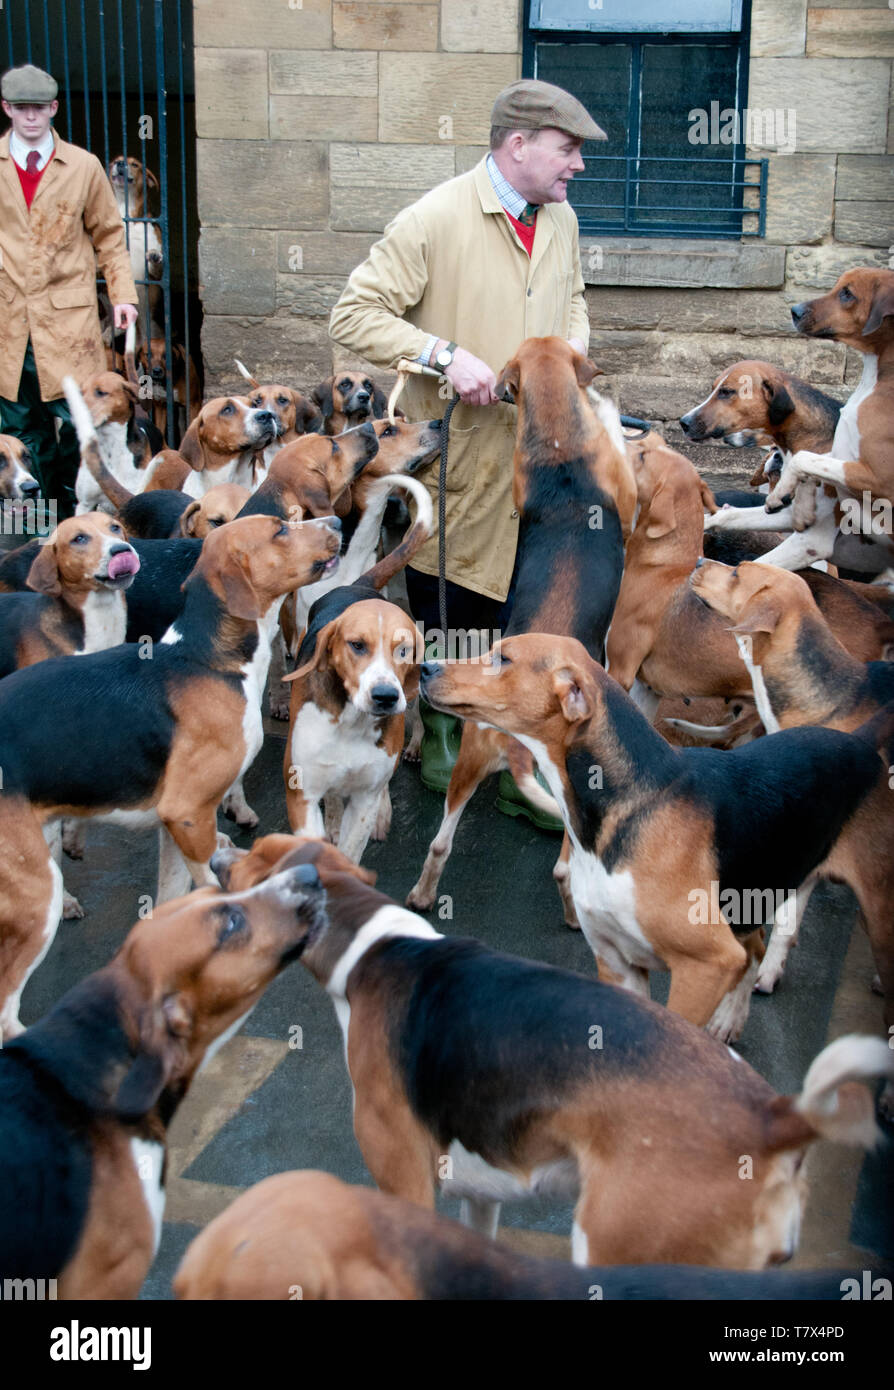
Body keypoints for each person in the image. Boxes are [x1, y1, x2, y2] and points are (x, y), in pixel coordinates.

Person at [329, 78, 605, 812]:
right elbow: (354, 313)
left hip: (539, 460)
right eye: (568, 149)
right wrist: (444, 355)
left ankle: (515, 756)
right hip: (459, 460)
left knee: (527, 609)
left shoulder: (561, 220)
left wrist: (573, 345)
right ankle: (445, 744)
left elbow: (573, 294)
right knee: (452, 604)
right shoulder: (435, 218)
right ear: (518, 145)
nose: (577, 165)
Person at [0, 64, 138, 518]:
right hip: (9, 321)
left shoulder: (83, 166)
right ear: (7, 109)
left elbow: (109, 236)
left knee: (84, 425)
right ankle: (35, 531)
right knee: (22, 432)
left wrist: (122, 296)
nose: (31, 118)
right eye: (22, 109)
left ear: (54, 109)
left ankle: (92, 521)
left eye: (39, 108)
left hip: (68, 323)